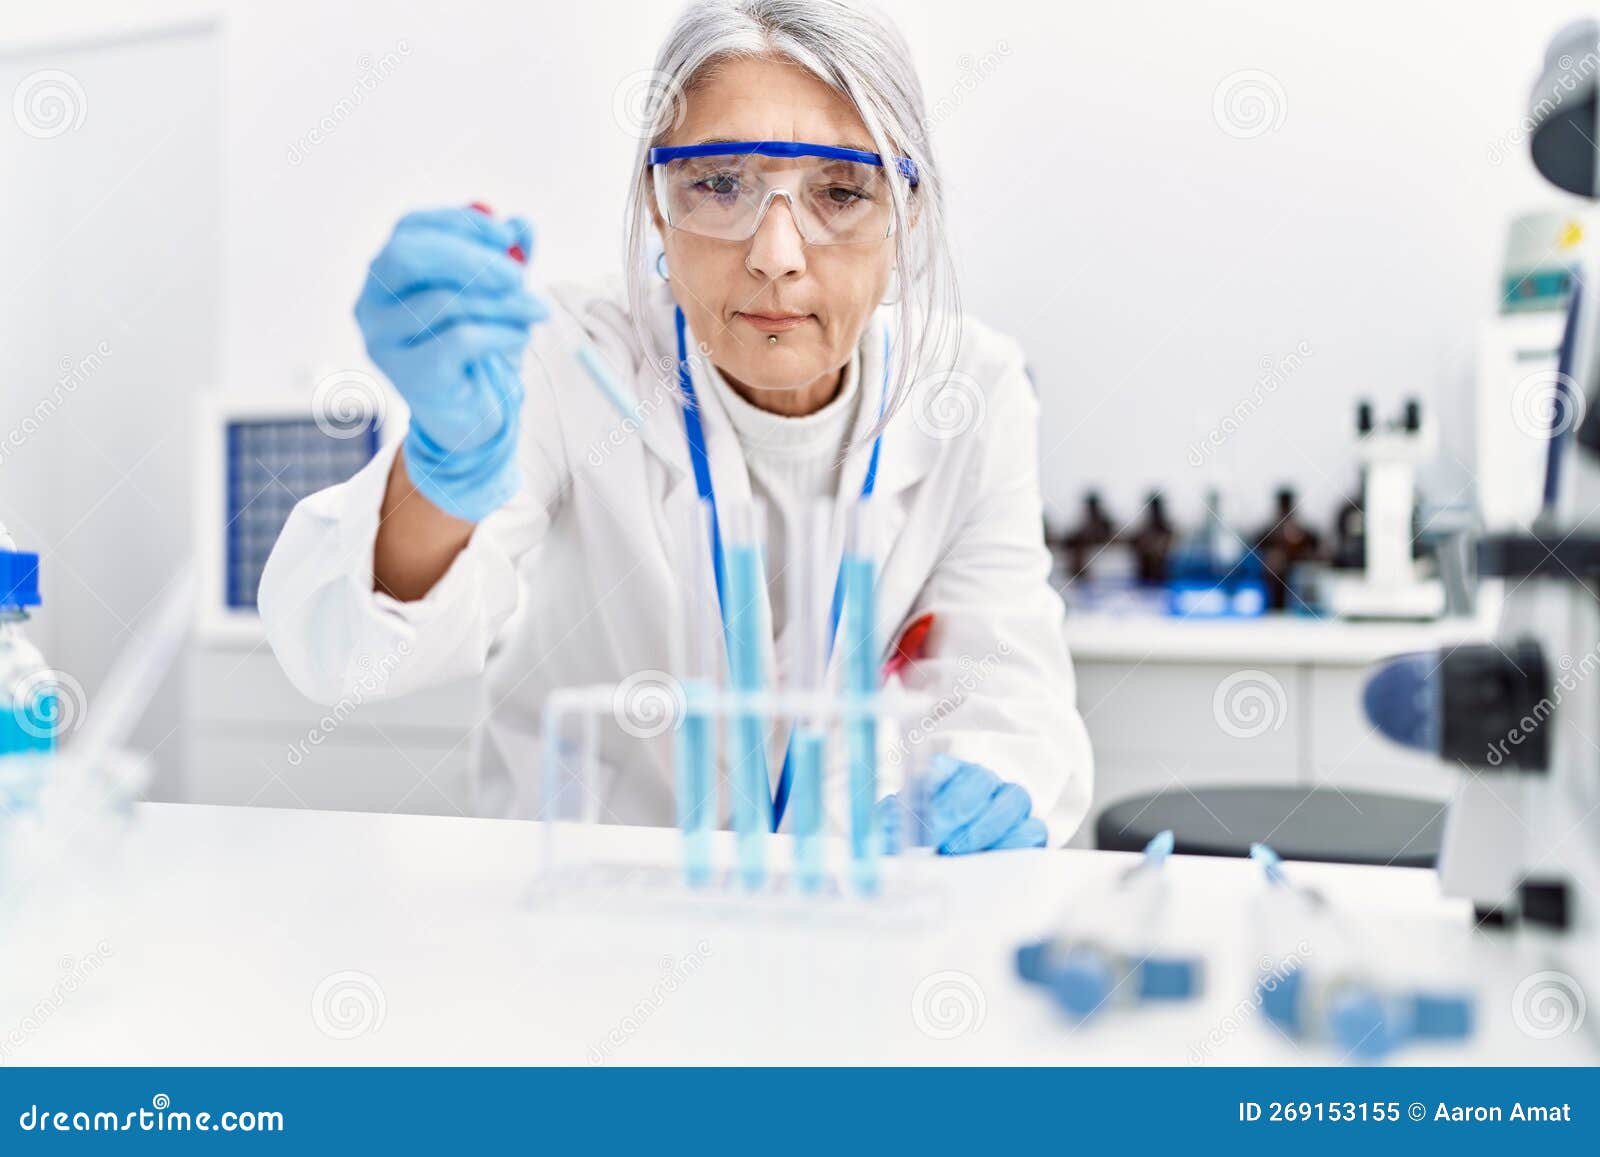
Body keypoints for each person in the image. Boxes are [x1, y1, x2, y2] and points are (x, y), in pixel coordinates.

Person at [260, 0, 1092, 852]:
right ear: (659, 208)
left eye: (840, 191)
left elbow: (1009, 697)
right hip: (585, 910)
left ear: (905, 215)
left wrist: (991, 780)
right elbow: (345, 657)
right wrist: (445, 468)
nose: (777, 253)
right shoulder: (567, 362)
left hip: (847, 905)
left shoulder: (971, 393)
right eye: (719, 185)